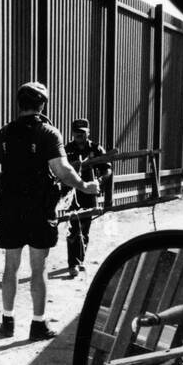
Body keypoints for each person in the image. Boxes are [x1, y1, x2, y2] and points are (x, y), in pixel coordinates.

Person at [0, 82, 101, 340]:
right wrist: (86, 186)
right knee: (38, 267)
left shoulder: (1, 134)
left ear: (19, 104)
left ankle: (7, 322)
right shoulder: (48, 133)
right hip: (39, 210)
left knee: (10, 267)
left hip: (10, 210)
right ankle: (38, 325)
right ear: (42, 105)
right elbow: (62, 171)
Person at [63, 118, 111, 277]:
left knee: (85, 229)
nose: (79, 135)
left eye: (82, 133)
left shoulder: (96, 149)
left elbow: (107, 170)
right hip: (72, 195)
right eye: (76, 132)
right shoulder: (66, 149)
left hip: (89, 194)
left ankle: (80, 259)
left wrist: (99, 181)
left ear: (88, 133)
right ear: (72, 133)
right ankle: (73, 264)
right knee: (73, 229)